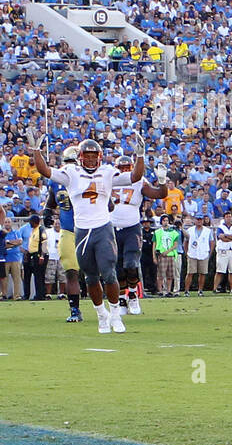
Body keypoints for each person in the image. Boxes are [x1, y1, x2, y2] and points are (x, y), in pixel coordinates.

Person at [27, 140, 146, 334]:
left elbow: (134, 176)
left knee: (109, 274)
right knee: (90, 277)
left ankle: (115, 314)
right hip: (81, 231)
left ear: (99, 157)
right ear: (80, 157)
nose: (90, 160)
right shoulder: (71, 173)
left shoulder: (108, 171)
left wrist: (140, 157)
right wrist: (35, 150)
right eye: (87, 156)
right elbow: (45, 171)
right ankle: (101, 315)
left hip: (103, 229)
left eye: (94, 156)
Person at [109, 155, 167, 315]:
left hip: (132, 227)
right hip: (112, 228)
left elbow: (159, 194)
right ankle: (122, 298)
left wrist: (162, 181)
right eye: (122, 168)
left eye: (128, 168)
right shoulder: (109, 180)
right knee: (118, 268)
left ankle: (133, 294)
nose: (125, 171)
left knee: (131, 264)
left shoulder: (139, 180)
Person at [43, 146, 83, 321]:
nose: (69, 167)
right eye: (67, 162)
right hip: (68, 230)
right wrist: (47, 211)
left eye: (73, 162)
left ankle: (111, 306)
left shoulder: (88, 178)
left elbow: (109, 205)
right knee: (70, 271)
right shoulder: (57, 180)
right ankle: (74, 309)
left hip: (89, 229)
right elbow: (52, 202)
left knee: (96, 273)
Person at [182, 215, 213, 296]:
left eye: (200, 220)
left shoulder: (208, 231)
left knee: (202, 273)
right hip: (192, 253)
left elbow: (212, 242)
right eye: (197, 219)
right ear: (194, 220)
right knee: (190, 273)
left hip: (203, 253)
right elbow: (185, 242)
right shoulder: (189, 230)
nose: (199, 221)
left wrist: (209, 253)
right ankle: (186, 291)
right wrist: (187, 253)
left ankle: (200, 290)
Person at [214, 212, 232, 293]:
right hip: (223, 250)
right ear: (224, 218)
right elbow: (221, 238)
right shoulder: (220, 227)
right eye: (227, 217)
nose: (228, 218)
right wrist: (231, 238)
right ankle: (215, 288)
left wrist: (227, 236)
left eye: (230, 217)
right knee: (220, 271)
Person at [153, 215, 182, 297]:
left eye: (167, 220)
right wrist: (154, 256)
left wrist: (168, 251)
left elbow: (175, 244)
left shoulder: (173, 232)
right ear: (161, 221)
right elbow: (154, 244)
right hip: (161, 255)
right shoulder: (157, 232)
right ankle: (161, 291)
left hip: (170, 255)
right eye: (164, 220)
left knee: (170, 275)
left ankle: (168, 291)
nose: (166, 222)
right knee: (160, 275)